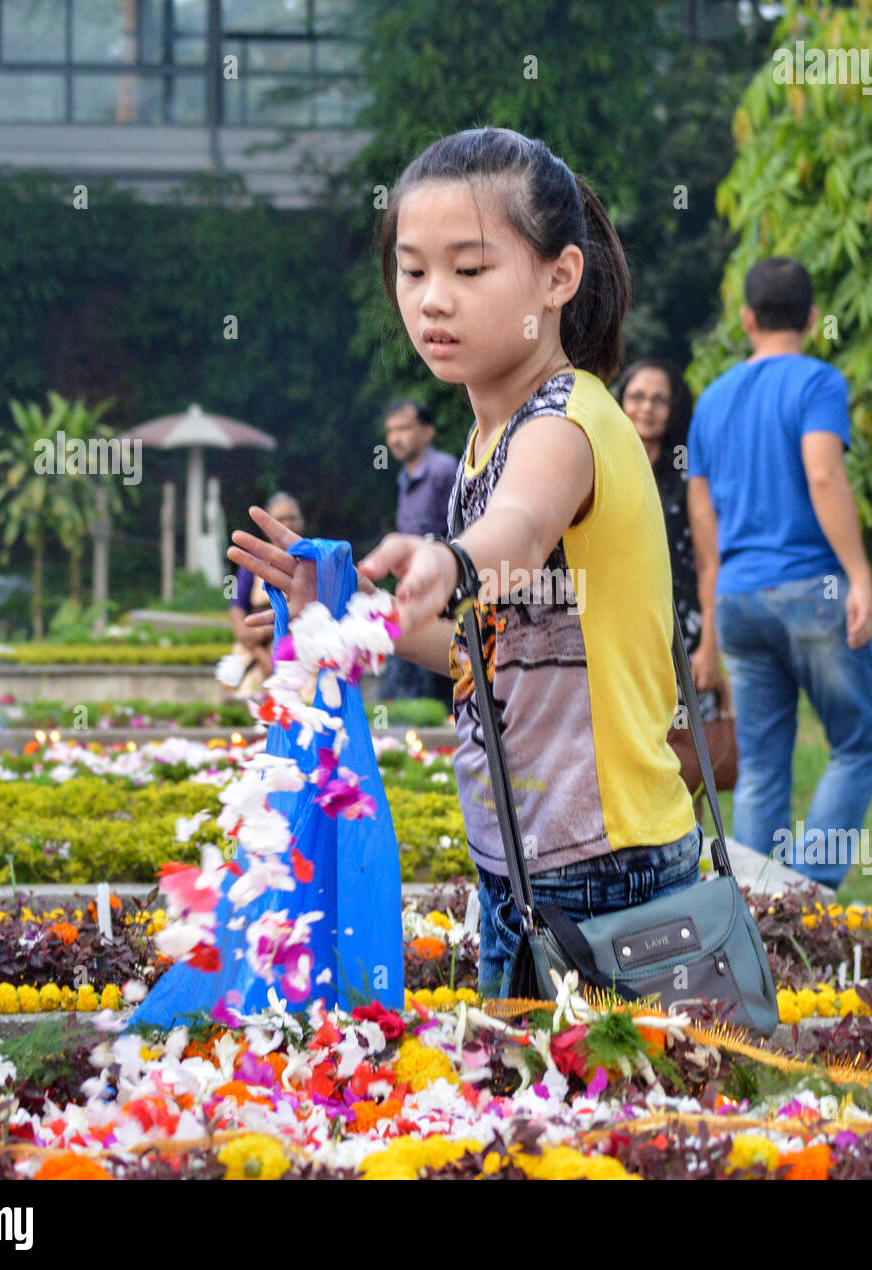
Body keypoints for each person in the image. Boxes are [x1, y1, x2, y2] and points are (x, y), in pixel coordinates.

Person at [229, 126, 702, 999]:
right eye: (413, 271)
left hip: (605, 874)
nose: (432, 300)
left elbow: (517, 534)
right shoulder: (488, 438)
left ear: (560, 278)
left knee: (607, 1134)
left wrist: (452, 556)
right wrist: (337, 620)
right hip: (520, 869)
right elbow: (476, 653)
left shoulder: (568, 424)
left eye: (469, 269)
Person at [687, 257, 872, 893]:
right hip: (809, 588)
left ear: (747, 319)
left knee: (763, 764)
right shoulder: (817, 383)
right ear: (809, 317)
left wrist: (711, 630)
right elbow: (823, 474)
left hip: (739, 598)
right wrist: (859, 574)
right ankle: (805, 890)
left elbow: (704, 528)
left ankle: (754, 907)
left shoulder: (711, 401)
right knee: (858, 744)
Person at [615, 359, 701, 652]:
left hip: (682, 628)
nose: (647, 408)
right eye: (637, 397)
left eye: (659, 400)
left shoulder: (690, 474)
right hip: (617, 630)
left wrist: (711, 647)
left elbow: (709, 562)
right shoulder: (602, 471)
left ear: (673, 409)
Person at [381, 399, 457, 706]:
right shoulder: (403, 478)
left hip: (443, 593)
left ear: (427, 432)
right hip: (412, 592)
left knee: (433, 688)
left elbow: (462, 531)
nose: (395, 438)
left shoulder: (443, 471)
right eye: (390, 431)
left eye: (403, 429)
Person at [224, 492, 304, 696]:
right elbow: (237, 610)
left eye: (292, 518)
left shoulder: (311, 560)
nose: (287, 524)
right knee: (250, 696)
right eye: (280, 519)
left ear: (301, 520)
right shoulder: (253, 562)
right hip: (254, 649)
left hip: (300, 644)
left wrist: (263, 632)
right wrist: (261, 656)